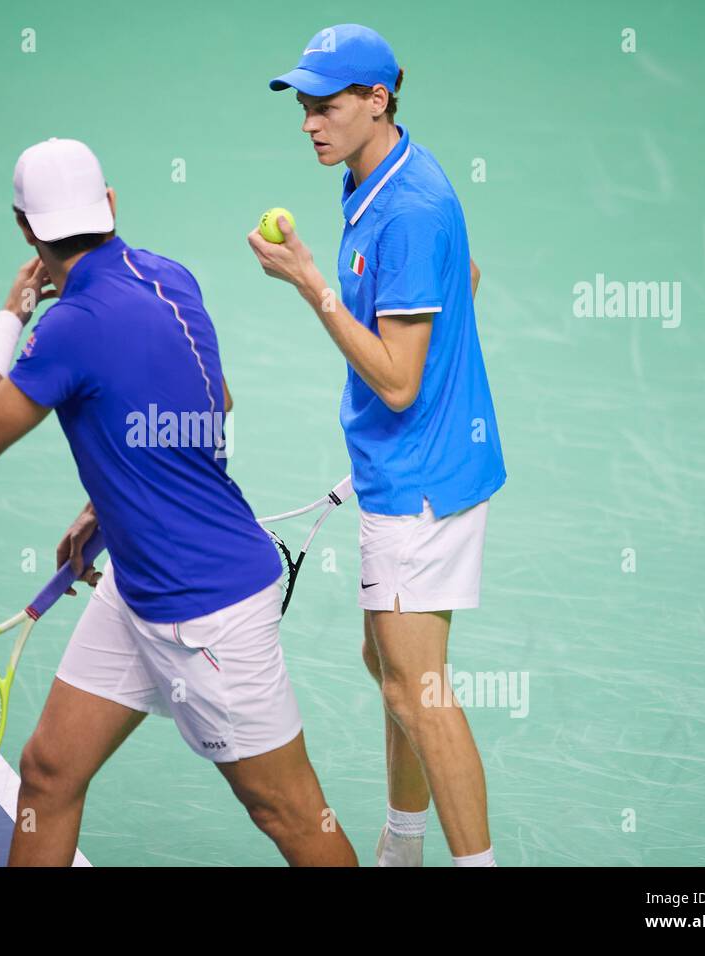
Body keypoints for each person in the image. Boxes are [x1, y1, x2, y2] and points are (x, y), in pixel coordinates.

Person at [0, 137, 357, 866]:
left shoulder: (65, 328)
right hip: (139, 588)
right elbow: (212, 406)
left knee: (292, 814)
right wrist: (110, 505)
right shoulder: (172, 278)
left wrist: (11, 314)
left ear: (26, 230)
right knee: (47, 775)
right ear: (110, 205)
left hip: (207, 609)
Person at [247, 24, 507, 867]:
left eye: (326, 106)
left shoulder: (409, 205)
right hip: (416, 465)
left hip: (420, 485)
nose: (309, 122)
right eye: (305, 107)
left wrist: (310, 285)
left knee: (420, 690)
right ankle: (404, 845)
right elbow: (460, 282)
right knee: (390, 665)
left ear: (376, 102)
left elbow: (397, 380)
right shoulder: (381, 176)